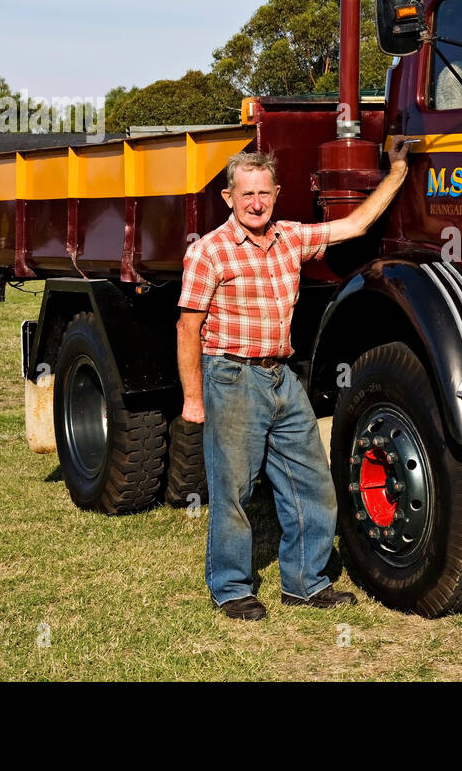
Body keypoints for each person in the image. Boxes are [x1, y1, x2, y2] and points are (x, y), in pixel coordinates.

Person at [176, 140, 411, 620]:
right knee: (234, 490)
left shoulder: (290, 237)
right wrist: (193, 400)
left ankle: (305, 582)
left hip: (281, 376)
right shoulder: (208, 253)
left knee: (311, 481)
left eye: (264, 193)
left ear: (277, 193)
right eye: (247, 195)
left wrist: (399, 171)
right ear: (228, 198)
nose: (256, 203)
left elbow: (355, 225)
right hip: (232, 375)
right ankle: (232, 587)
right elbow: (187, 327)